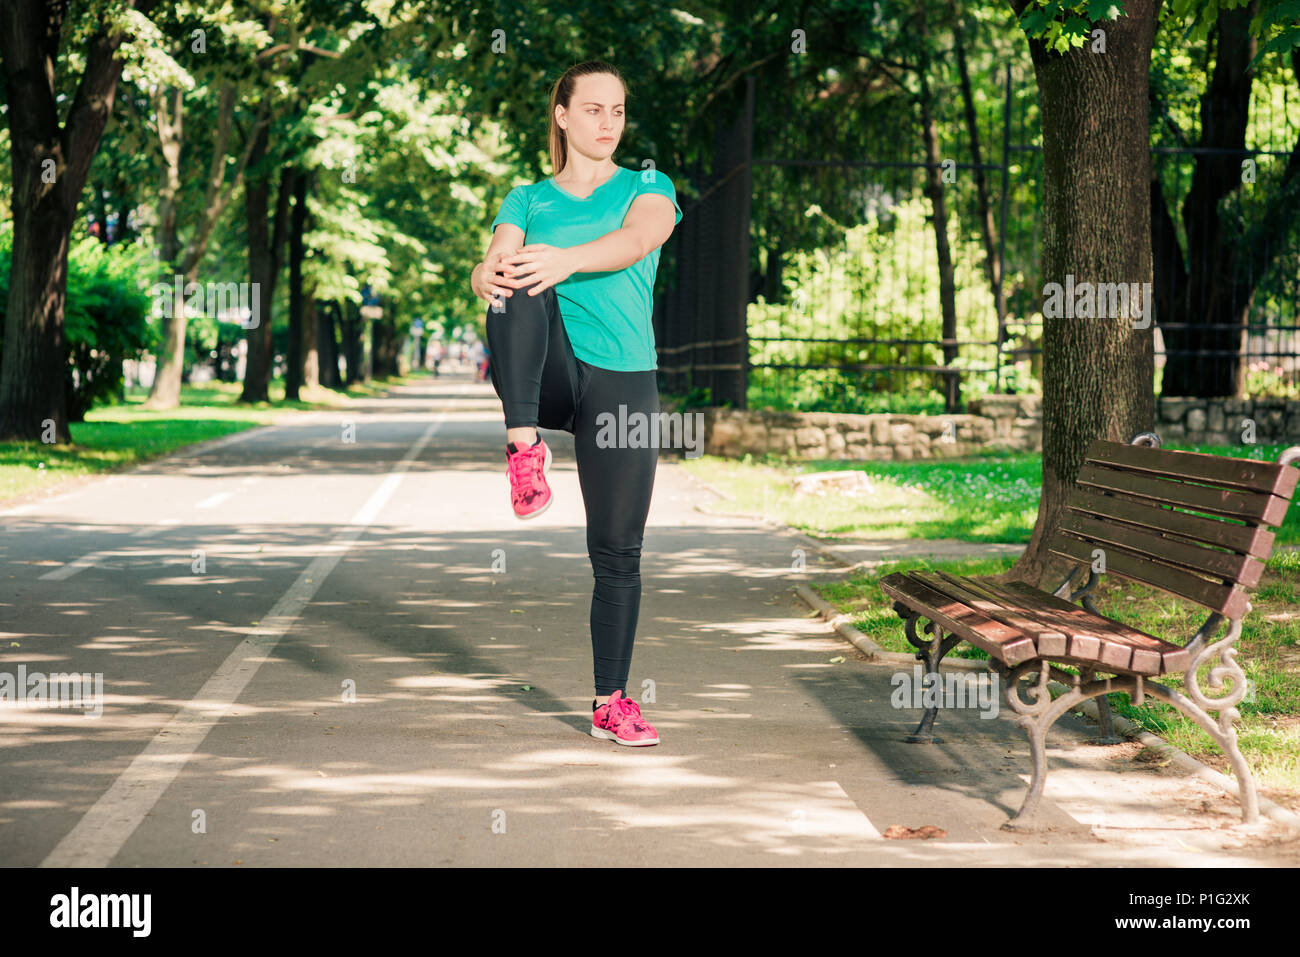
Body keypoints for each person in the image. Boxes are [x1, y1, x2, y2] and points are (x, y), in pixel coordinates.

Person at [470, 60, 682, 747]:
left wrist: (566, 259)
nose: (608, 123)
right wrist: (485, 272)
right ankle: (523, 443)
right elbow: (495, 259)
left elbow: (640, 238)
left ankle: (610, 701)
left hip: (623, 380)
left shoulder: (646, 184)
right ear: (562, 115)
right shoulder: (528, 197)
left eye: (618, 111)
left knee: (618, 549)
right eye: (593, 109)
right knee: (514, 277)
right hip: (552, 371)